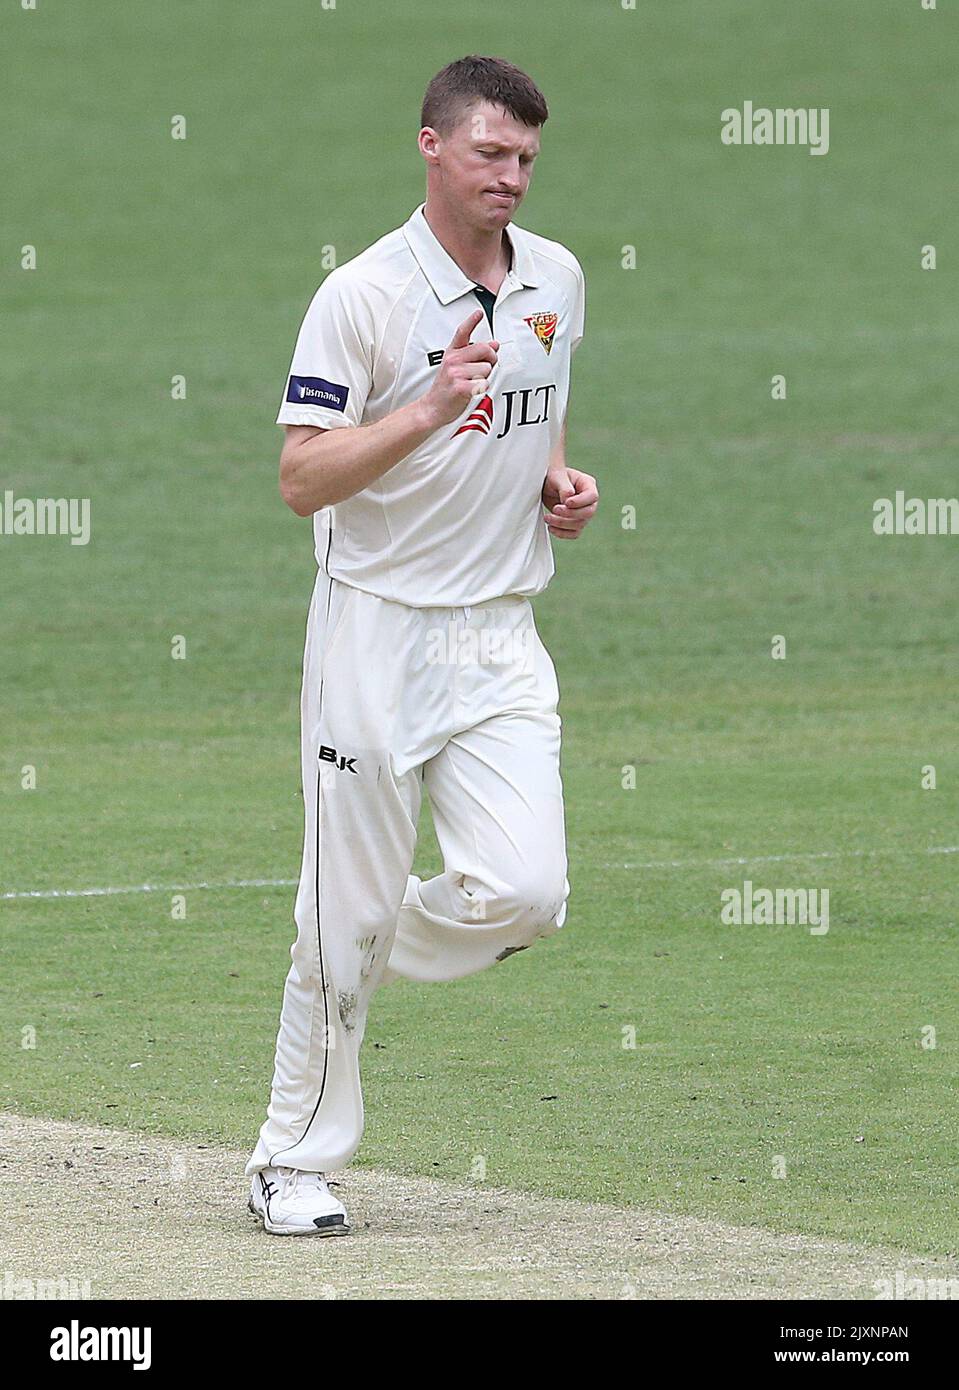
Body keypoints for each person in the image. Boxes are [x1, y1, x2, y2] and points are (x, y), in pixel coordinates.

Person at [247, 54, 599, 1236]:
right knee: (339, 918)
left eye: (527, 160)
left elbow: (541, 406)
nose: (512, 178)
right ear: (431, 147)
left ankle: (346, 927)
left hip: (500, 635)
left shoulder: (555, 277)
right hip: (376, 631)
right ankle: (292, 1161)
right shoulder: (361, 296)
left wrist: (557, 483)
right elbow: (302, 479)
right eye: (491, 154)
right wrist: (425, 410)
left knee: (527, 890)